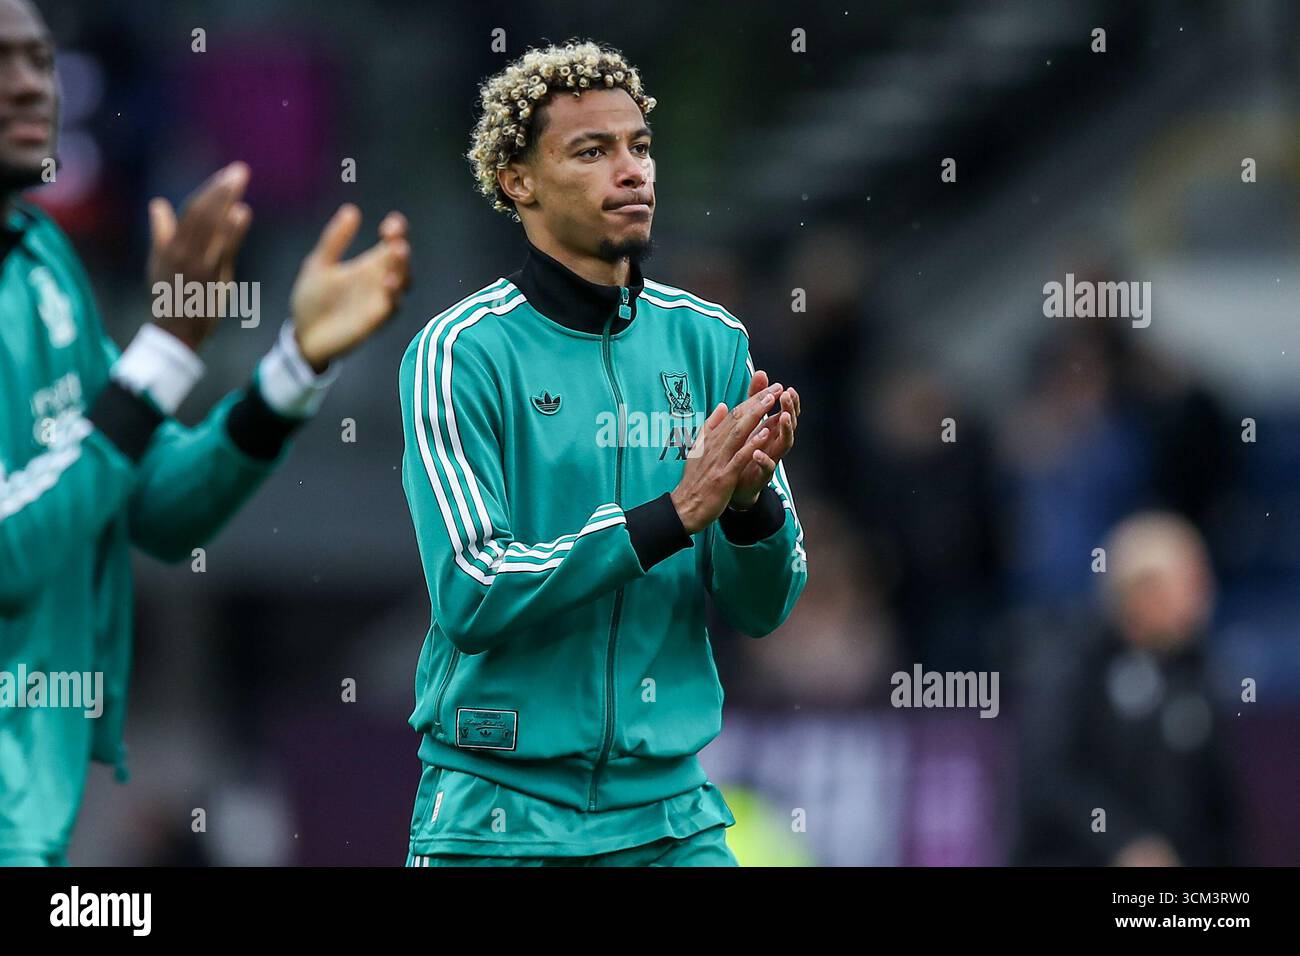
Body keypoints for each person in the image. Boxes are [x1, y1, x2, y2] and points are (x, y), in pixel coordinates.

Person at [0, 0, 411, 865]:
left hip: (33, 804)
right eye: (2, 62)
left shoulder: (43, 263)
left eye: (40, 60)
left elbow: (150, 504)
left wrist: (292, 371)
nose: (32, 85)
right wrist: (163, 352)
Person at [399, 40, 807, 866]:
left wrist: (747, 506)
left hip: (668, 817)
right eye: (592, 151)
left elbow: (766, 609)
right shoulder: (461, 353)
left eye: (639, 147)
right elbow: (473, 592)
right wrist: (670, 516)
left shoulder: (711, 341)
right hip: (498, 809)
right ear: (519, 181)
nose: (633, 172)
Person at [1014, 512, 1239, 866]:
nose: (1204, 594)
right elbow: (1052, 779)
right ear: (1141, 590)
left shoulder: (1197, 671)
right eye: (1190, 581)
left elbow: (1220, 805)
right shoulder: (1072, 666)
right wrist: (1122, 841)